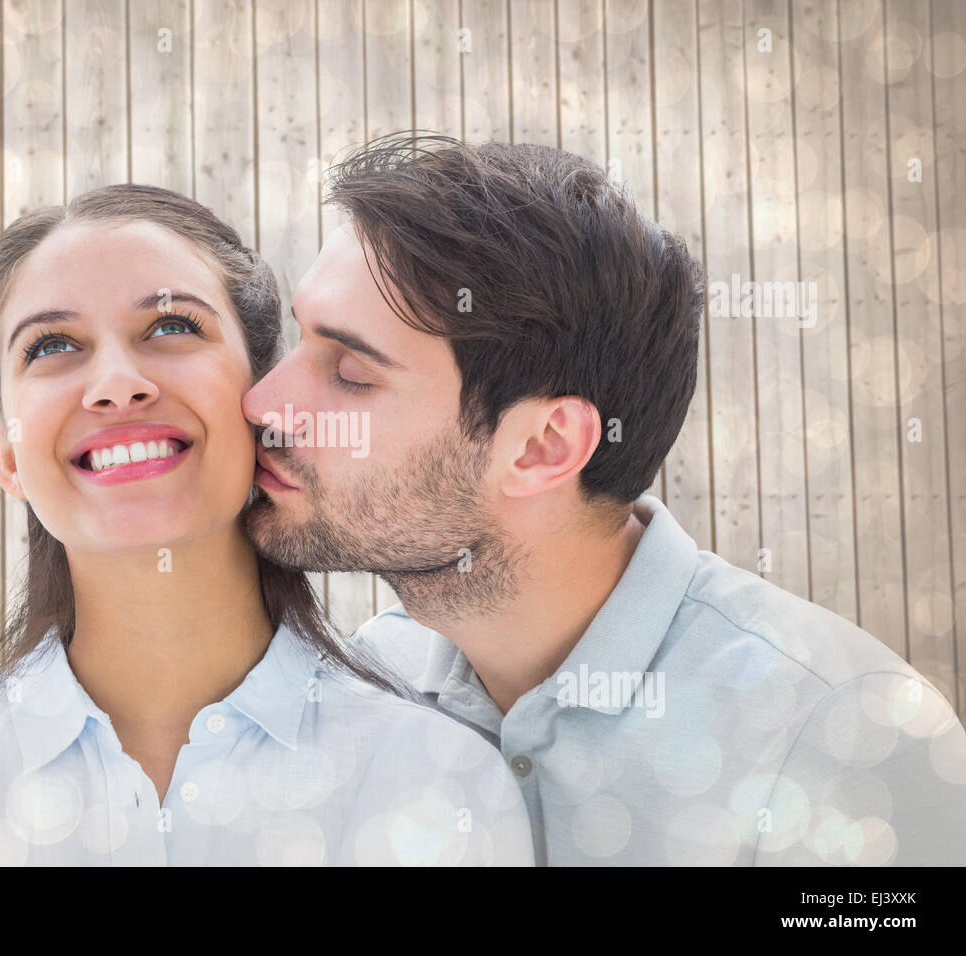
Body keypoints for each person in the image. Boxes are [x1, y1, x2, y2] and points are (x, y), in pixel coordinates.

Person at [242, 133, 966, 866]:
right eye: (299, 343)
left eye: (351, 373)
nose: (264, 402)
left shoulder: (845, 735)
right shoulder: (369, 683)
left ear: (543, 447)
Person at [0, 183, 534, 866]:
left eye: (172, 325)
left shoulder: (439, 784)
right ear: (7, 456)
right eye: (52, 347)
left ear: (263, 402)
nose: (117, 384)